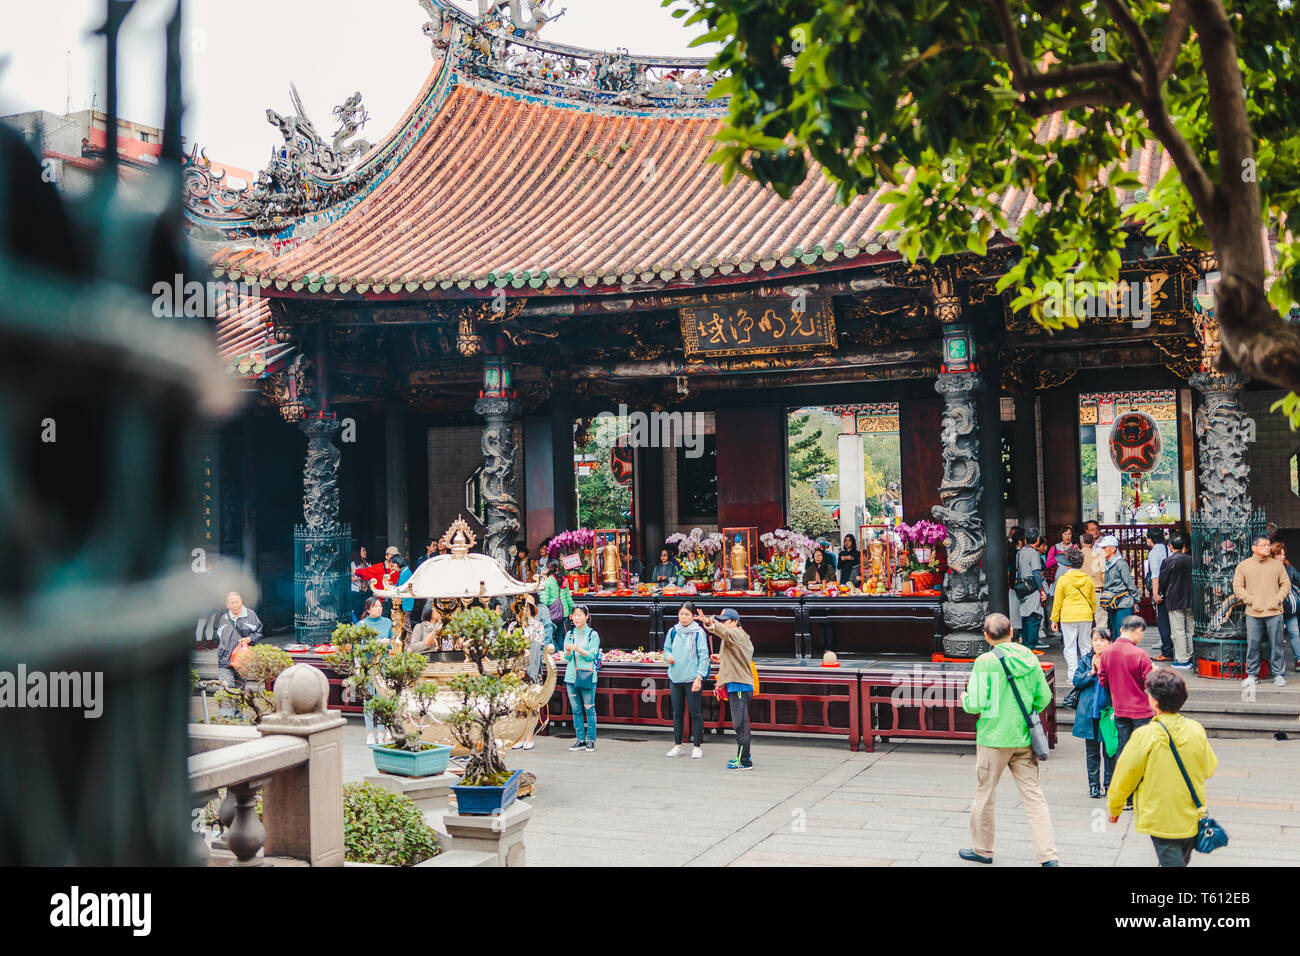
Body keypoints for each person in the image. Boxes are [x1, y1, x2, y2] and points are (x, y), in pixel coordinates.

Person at [958, 612, 1058, 866]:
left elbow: (977, 703)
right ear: (1012, 632)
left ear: (986, 636)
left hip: (994, 737)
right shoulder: (1029, 657)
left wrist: (964, 699)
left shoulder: (986, 661)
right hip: (1024, 736)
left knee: (985, 794)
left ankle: (982, 849)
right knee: (1034, 797)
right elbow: (1043, 697)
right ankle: (1048, 856)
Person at [1107, 669, 1218, 867]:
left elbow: (1124, 776)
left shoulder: (1145, 735)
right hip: (1191, 814)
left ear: (1155, 701)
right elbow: (1208, 768)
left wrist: (1115, 807)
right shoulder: (1196, 729)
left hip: (1161, 817)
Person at [1099, 615, 1154, 810]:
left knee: (1123, 752)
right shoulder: (1140, 655)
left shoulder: (1107, 652)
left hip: (1120, 710)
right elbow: (1150, 683)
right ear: (1138, 630)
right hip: (1142, 712)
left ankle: (1126, 797)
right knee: (1144, 754)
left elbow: (1103, 680)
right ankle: (1142, 794)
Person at [696, 607, 756, 770]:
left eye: (726, 621)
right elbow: (740, 655)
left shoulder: (735, 633)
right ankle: (745, 755)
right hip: (739, 683)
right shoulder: (741, 637)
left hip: (739, 685)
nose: (723, 624)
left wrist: (709, 621)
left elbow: (724, 632)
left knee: (740, 724)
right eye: (722, 621)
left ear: (735, 622)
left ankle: (744, 761)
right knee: (741, 723)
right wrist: (723, 658)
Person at [1233, 535, 1290, 687]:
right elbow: (1238, 587)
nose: (1268, 548)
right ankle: (1252, 675)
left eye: (1268, 545)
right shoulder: (1243, 566)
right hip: (1253, 612)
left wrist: (1278, 598)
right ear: (1254, 548)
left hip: (1275, 611)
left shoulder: (1277, 565)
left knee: (1277, 644)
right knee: (1253, 644)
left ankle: (1278, 674)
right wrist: (1250, 600)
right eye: (1264, 545)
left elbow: (1285, 584)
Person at [1073, 627, 1116, 798]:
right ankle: (1093, 786)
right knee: (1091, 752)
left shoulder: (1114, 660)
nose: (1098, 643)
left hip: (1107, 711)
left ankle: (1109, 784)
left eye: (1102, 640)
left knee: (1110, 751)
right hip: (1089, 712)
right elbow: (1077, 680)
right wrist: (1092, 672)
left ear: (1110, 642)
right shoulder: (1085, 660)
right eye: (1095, 640)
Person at [663, 601, 709, 759]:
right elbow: (666, 649)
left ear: (693, 616)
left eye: (687, 615)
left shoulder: (698, 633)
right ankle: (678, 745)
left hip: (692, 678)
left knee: (696, 713)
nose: (683, 617)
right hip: (675, 677)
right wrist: (667, 657)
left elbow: (704, 656)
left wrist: (699, 677)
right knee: (677, 713)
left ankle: (697, 746)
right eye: (681, 614)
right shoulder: (673, 631)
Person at [1049, 546, 1095, 679]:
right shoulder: (1087, 578)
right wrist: (1091, 613)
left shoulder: (1063, 579)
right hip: (1085, 614)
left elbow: (1058, 601)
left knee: (1069, 647)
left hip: (1068, 615)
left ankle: (1073, 676)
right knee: (1086, 645)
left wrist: (1054, 619)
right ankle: (1087, 674)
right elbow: (1092, 600)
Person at [511, 593, 550, 751]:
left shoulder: (537, 626)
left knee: (532, 703)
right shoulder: (513, 626)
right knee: (517, 704)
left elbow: (537, 647)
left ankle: (529, 736)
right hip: (516, 669)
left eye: (527, 608)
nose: (524, 610)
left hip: (532, 666)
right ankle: (519, 736)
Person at [215, 591, 263, 716]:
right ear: (227, 604)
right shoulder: (224, 618)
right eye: (232, 603)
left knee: (240, 687)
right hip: (225, 659)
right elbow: (219, 636)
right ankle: (227, 716)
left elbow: (259, 632)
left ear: (241, 601)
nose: (235, 605)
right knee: (226, 687)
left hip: (242, 659)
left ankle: (238, 714)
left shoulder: (251, 615)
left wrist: (250, 639)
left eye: (237, 602)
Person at [563, 605, 600, 752]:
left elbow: (592, 655)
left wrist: (578, 649)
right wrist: (567, 650)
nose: (577, 618)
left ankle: (591, 740)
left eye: (580, 614)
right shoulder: (570, 634)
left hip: (587, 675)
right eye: (574, 615)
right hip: (571, 675)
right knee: (576, 709)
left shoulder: (592, 634)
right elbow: (566, 658)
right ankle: (580, 739)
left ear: (586, 616)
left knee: (589, 708)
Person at [1162, 533, 1195, 670]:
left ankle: (1182, 659)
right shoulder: (1192, 559)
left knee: (1178, 631)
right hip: (1191, 598)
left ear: (1170, 546)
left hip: (1175, 599)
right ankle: (1192, 655)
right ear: (1183, 546)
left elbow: (1164, 582)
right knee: (1191, 629)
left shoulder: (1168, 561)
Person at [1014, 529, 1047, 652]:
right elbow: (1036, 573)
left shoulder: (1020, 552)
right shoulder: (1034, 554)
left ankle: (1026, 644)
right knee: (1034, 616)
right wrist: (1041, 590)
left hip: (1022, 587)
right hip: (1032, 587)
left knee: (1026, 616)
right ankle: (1031, 646)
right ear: (1038, 539)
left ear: (1026, 539)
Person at [1098, 535, 1138, 636]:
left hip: (1123, 603)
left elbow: (1129, 583)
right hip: (1113, 603)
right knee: (1116, 633)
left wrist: (1136, 600)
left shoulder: (1120, 563)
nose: (1102, 550)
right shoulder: (1108, 563)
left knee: (1123, 633)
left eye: (1104, 547)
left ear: (1113, 549)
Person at [1270, 541, 1300, 673]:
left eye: (1283, 554)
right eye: (1279, 554)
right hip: (1276, 607)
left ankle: (1299, 660)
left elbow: (1298, 578)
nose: (1282, 557)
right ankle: (1278, 665)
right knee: (1278, 637)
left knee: (1294, 633)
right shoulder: (1269, 568)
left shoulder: (1288, 566)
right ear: (1273, 555)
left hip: (1289, 607)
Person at [1145, 528, 1172, 661]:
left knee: (1163, 621)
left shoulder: (1154, 552)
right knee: (1172, 620)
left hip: (1161, 588)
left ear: (1150, 540)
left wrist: (1155, 593)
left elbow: (1155, 575)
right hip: (1172, 587)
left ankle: (1166, 651)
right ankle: (1172, 648)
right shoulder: (1168, 548)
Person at [539, 559, 574, 650]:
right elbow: (568, 598)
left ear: (547, 569)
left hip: (552, 614)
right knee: (559, 636)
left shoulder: (547, 582)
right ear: (558, 568)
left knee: (550, 637)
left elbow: (544, 600)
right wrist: (571, 611)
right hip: (564, 614)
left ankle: (558, 653)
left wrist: (540, 611)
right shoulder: (563, 580)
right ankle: (563, 656)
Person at [1079, 531, 1107, 628]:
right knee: (1101, 620)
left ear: (1081, 543)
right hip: (1097, 591)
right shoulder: (1099, 556)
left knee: (1083, 621)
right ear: (1093, 543)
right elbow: (1104, 575)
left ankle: (1085, 641)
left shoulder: (1077, 556)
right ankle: (1101, 640)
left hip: (1080, 592)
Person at [389, 554, 414, 642]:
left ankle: (410, 642)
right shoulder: (404, 571)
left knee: (406, 625)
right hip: (405, 602)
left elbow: (401, 588)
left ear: (398, 563)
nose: (392, 568)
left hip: (406, 603)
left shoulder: (406, 572)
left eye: (393, 565)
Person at [349, 545, 369, 623]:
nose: (365, 552)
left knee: (365, 611)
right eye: (363, 551)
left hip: (366, 591)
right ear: (358, 553)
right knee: (356, 611)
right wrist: (359, 578)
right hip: (356, 591)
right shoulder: (352, 565)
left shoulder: (367, 564)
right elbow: (349, 579)